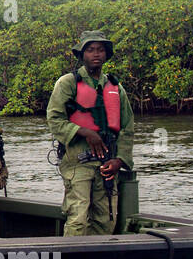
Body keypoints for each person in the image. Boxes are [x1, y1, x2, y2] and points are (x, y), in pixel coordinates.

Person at [46, 30, 135, 236]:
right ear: (82, 55)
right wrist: (84, 132)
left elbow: (127, 127)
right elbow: (55, 119)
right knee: (78, 218)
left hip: (106, 163)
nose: (96, 54)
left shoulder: (115, 87)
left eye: (100, 50)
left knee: (105, 220)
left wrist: (120, 160)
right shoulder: (68, 83)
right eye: (91, 50)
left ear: (106, 55)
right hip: (78, 162)